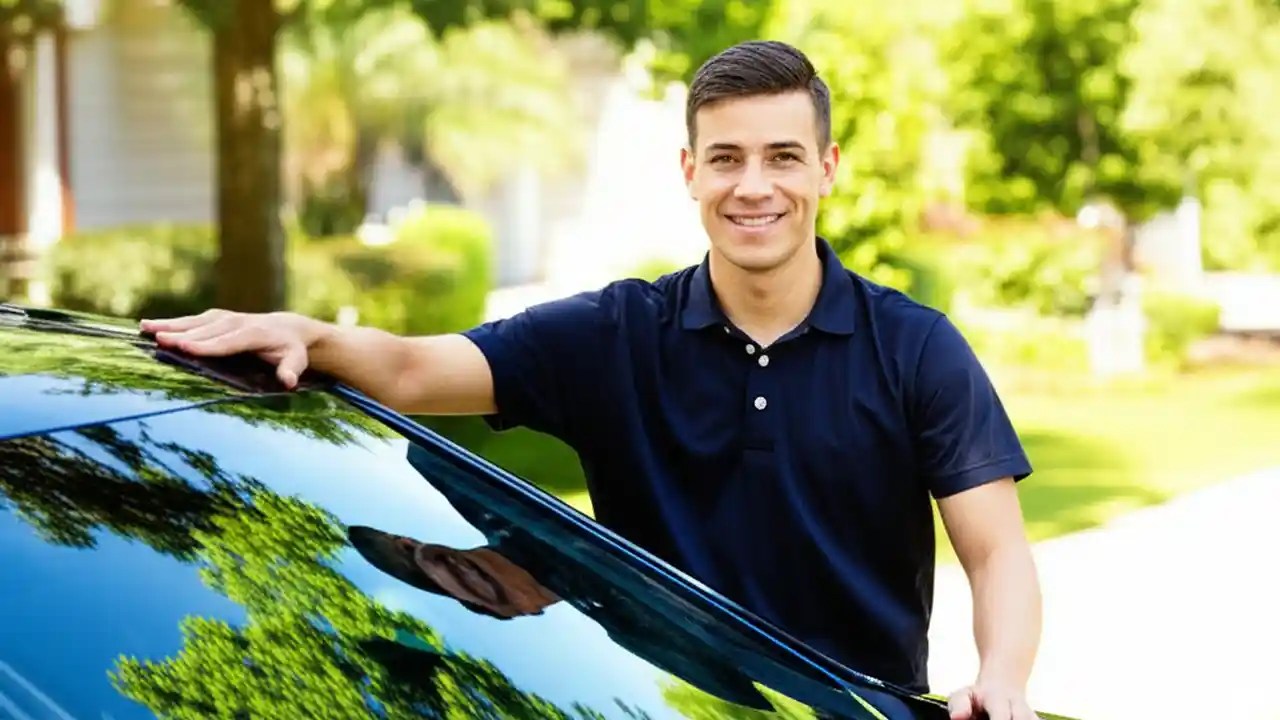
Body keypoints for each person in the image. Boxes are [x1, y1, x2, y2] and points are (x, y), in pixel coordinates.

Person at [141, 40, 1043, 720]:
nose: (753, 186)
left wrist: (1000, 679)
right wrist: (309, 335)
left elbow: (996, 551)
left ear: (826, 169)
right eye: (725, 158)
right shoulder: (615, 333)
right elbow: (416, 367)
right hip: (646, 705)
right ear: (690, 173)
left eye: (782, 156)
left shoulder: (916, 348)